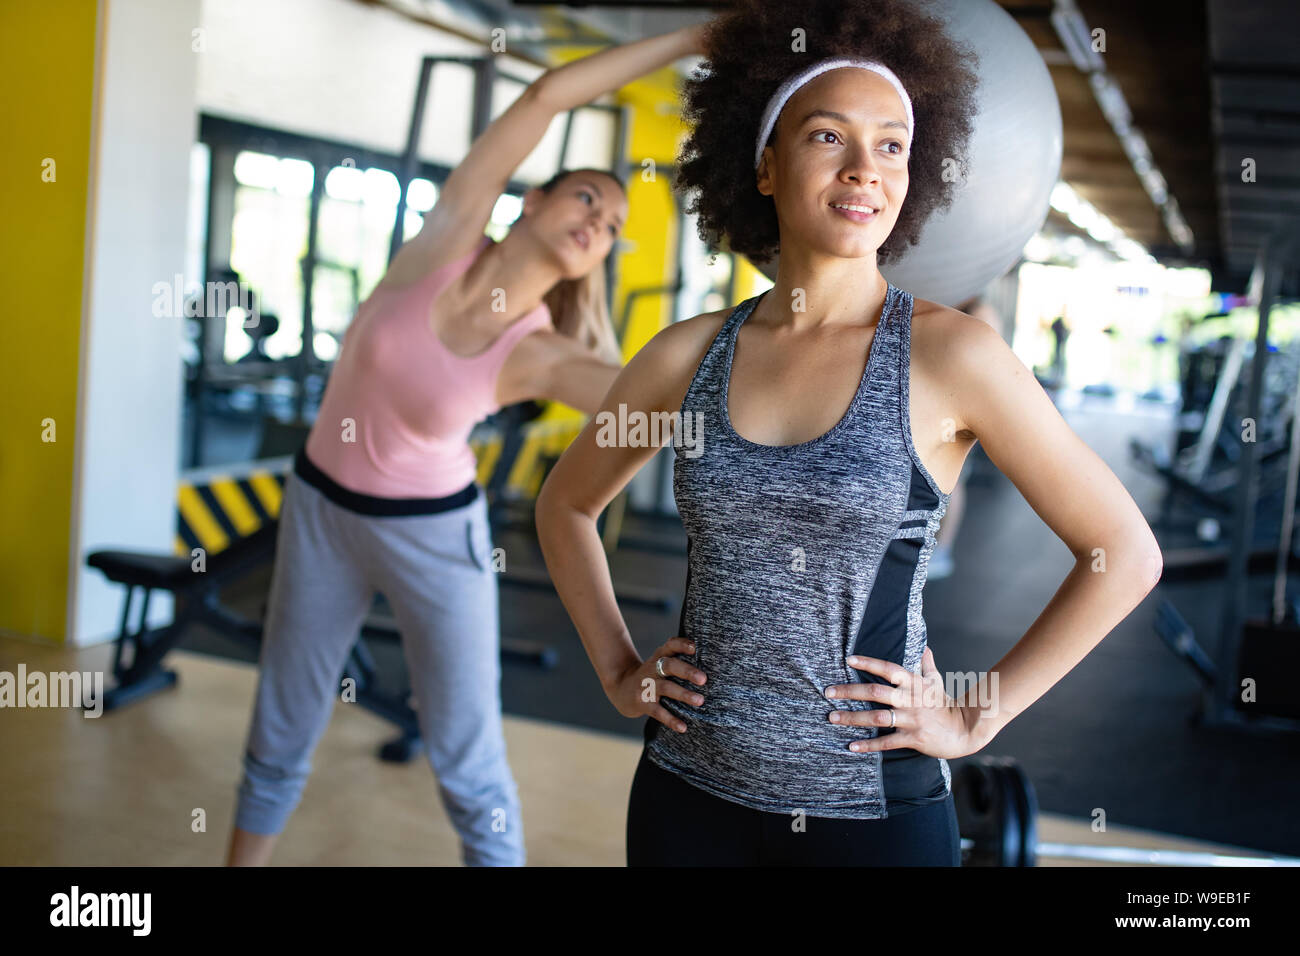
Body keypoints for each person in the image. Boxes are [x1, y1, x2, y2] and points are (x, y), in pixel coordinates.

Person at [534, 0, 1163, 867]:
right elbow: (566, 505)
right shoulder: (688, 355)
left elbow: (1122, 553)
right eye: (828, 136)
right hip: (685, 794)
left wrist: (978, 712)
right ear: (764, 165)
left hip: (872, 818)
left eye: (892, 144)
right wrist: (616, 668)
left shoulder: (952, 357)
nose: (865, 168)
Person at [224, 22, 709, 867]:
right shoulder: (441, 243)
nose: (598, 219)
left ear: (597, 259)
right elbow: (545, 95)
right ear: (534, 201)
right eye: (586, 197)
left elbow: (672, 403)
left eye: (613, 222)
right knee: (281, 721)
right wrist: (694, 36)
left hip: (433, 537)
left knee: (466, 755)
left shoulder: (540, 355)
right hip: (319, 510)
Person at [927, 293, 1002, 580]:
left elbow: (985, 366)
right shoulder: (946, 304)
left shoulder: (980, 310)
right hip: (940, 402)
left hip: (960, 407)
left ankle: (942, 549)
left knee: (951, 481)